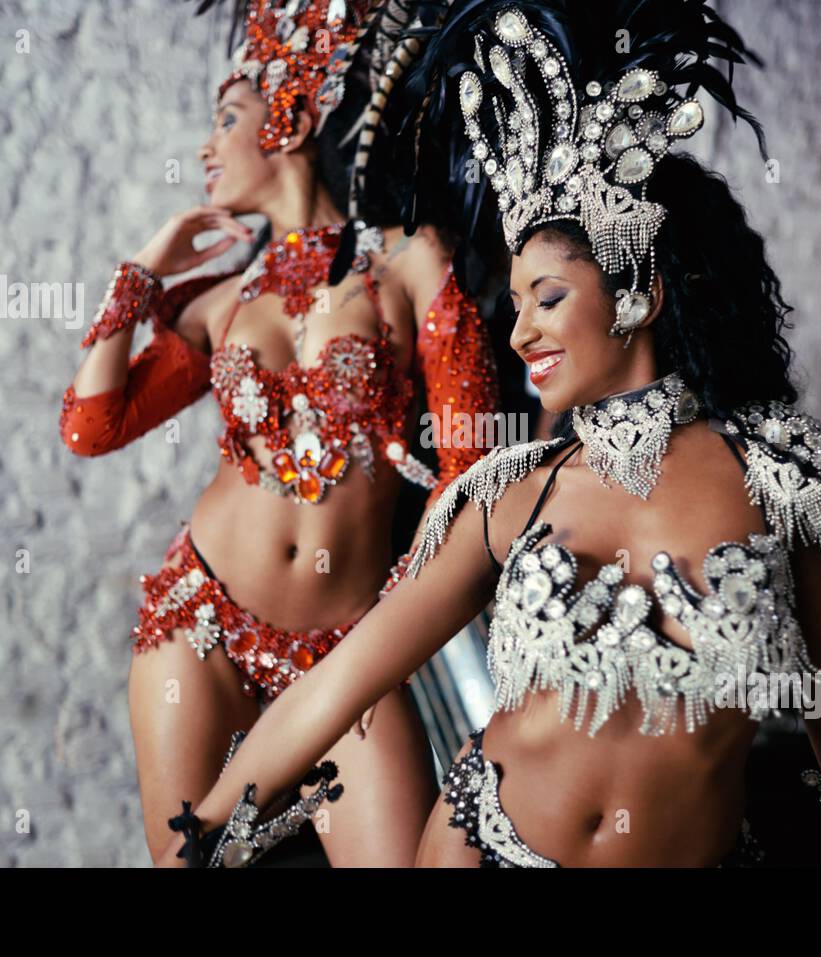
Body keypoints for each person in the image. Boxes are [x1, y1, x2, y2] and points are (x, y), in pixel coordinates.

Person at [157, 0, 821, 868]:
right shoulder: (512, 491)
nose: (520, 334)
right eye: (516, 303)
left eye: (548, 298)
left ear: (640, 292)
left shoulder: (779, 474)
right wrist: (209, 827)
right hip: (477, 850)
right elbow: (339, 677)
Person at [57, 0, 500, 865]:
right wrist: (144, 272)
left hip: (346, 657)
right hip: (203, 619)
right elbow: (91, 425)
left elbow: (471, 473)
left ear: (291, 118)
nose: (204, 148)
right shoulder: (222, 302)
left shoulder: (410, 261)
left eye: (227, 119)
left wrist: (395, 622)